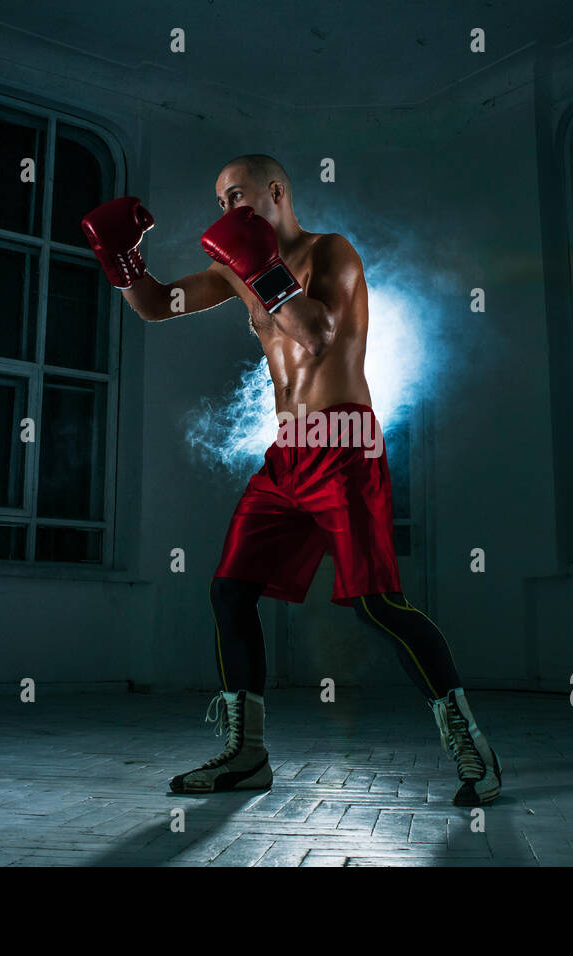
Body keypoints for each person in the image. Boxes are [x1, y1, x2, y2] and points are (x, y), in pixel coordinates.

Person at [80, 155, 502, 806]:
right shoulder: (237, 267)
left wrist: (258, 265)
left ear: (276, 192)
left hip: (344, 442)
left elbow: (319, 336)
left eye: (239, 196)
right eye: (221, 202)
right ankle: (246, 755)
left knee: (377, 605)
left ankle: (470, 743)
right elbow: (159, 305)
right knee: (230, 592)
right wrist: (120, 259)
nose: (229, 212)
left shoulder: (332, 253)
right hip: (288, 454)